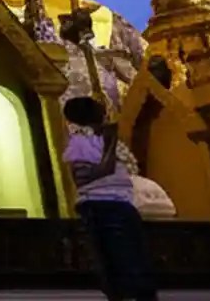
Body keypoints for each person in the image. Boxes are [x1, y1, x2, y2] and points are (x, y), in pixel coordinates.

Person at [62, 95, 158, 301]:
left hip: (120, 202)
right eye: (101, 113)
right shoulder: (81, 142)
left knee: (134, 257)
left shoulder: (98, 140)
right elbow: (84, 176)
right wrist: (110, 144)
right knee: (121, 259)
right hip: (102, 204)